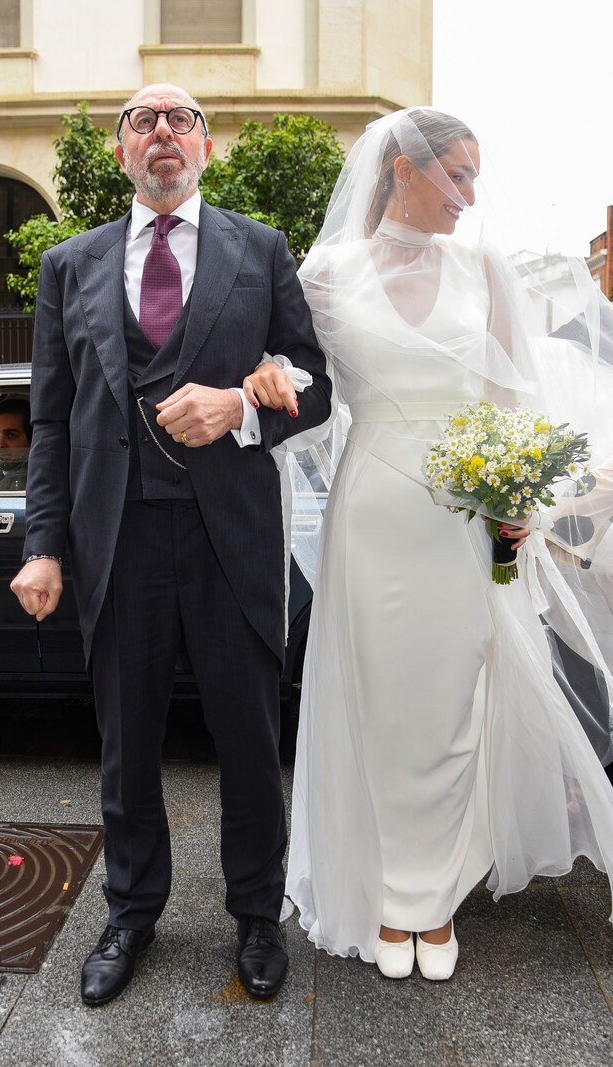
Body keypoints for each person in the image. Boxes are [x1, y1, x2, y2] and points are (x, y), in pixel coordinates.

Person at [245, 108, 613, 982]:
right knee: (379, 699)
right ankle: (380, 890)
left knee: (453, 695)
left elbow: (512, 396)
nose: (469, 196)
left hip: (464, 511)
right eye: (457, 175)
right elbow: (305, 377)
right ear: (403, 170)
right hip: (373, 506)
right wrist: (267, 376)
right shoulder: (329, 271)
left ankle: (433, 896)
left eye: (475, 178)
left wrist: (519, 498)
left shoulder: (482, 267)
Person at [9, 82, 331, 1007]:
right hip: (118, 540)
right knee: (126, 743)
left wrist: (239, 405)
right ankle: (131, 911)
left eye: (181, 119)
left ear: (207, 148)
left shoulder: (259, 249)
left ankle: (257, 914)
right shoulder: (70, 265)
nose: (163, 133)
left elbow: (315, 384)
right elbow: (53, 418)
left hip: (232, 535)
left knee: (248, 733)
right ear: (120, 153)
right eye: (142, 121)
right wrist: (45, 543)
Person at [0, 398, 31, 490]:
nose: (0, 444)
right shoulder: (5, 475)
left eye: (10, 435)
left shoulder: (21, 483)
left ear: (31, 439)